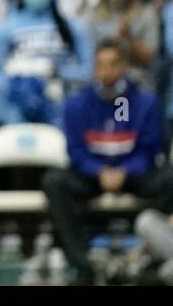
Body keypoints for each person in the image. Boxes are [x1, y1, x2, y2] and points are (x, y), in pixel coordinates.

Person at [43, 39, 173, 285]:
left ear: (125, 66)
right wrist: (99, 171)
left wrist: (125, 171)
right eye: (100, 65)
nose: (106, 71)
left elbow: (151, 149)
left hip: (134, 173)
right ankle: (82, 266)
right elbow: (76, 150)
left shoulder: (146, 102)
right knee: (55, 181)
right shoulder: (76, 104)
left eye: (113, 64)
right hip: (93, 174)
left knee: (169, 179)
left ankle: (153, 258)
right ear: (93, 68)